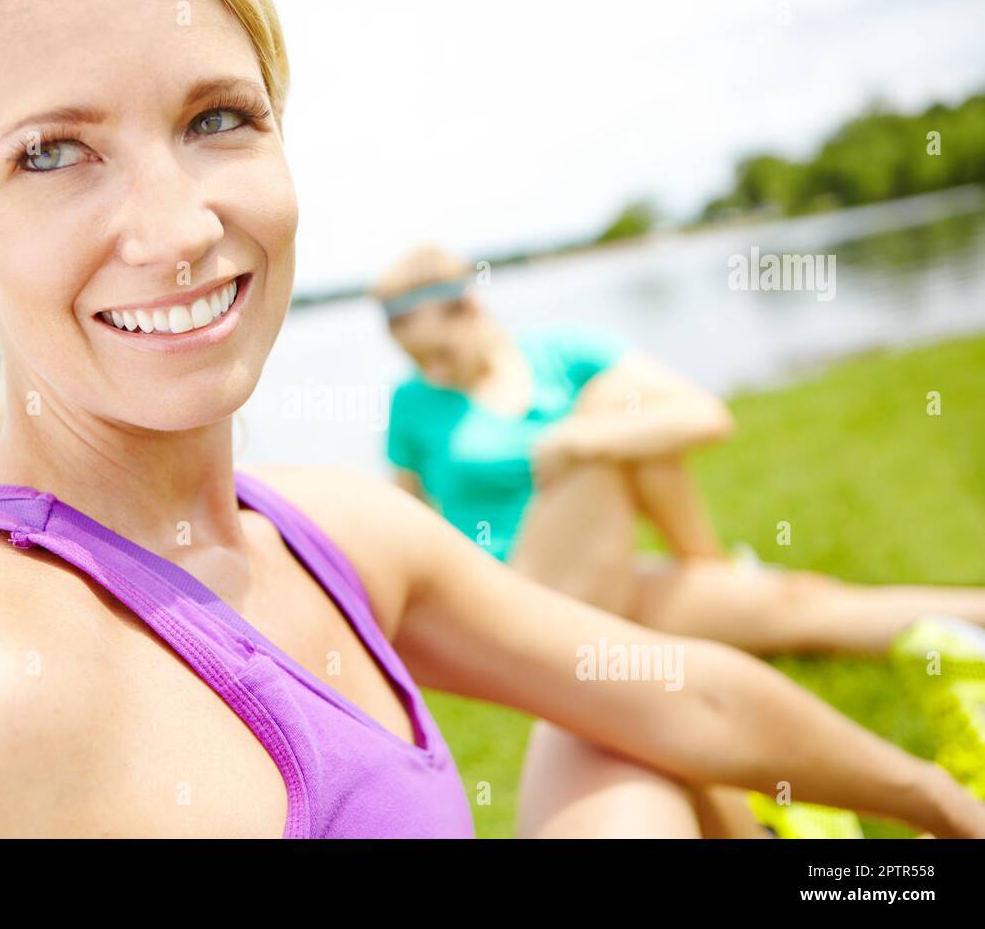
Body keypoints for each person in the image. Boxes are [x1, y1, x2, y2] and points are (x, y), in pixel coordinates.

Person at [0, 0, 985, 839]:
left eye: (215, 120)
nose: (180, 228)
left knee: (613, 720)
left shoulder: (324, 529)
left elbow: (684, 688)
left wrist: (935, 804)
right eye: (53, 152)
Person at [375, 242, 985, 833]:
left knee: (795, 600)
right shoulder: (413, 405)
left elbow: (705, 416)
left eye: (438, 353)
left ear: (471, 309)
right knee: (607, 425)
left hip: (607, 574)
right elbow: (404, 520)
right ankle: (707, 575)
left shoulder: (561, 355)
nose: (431, 371)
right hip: (518, 592)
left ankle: (967, 615)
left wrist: (585, 438)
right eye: (416, 358)